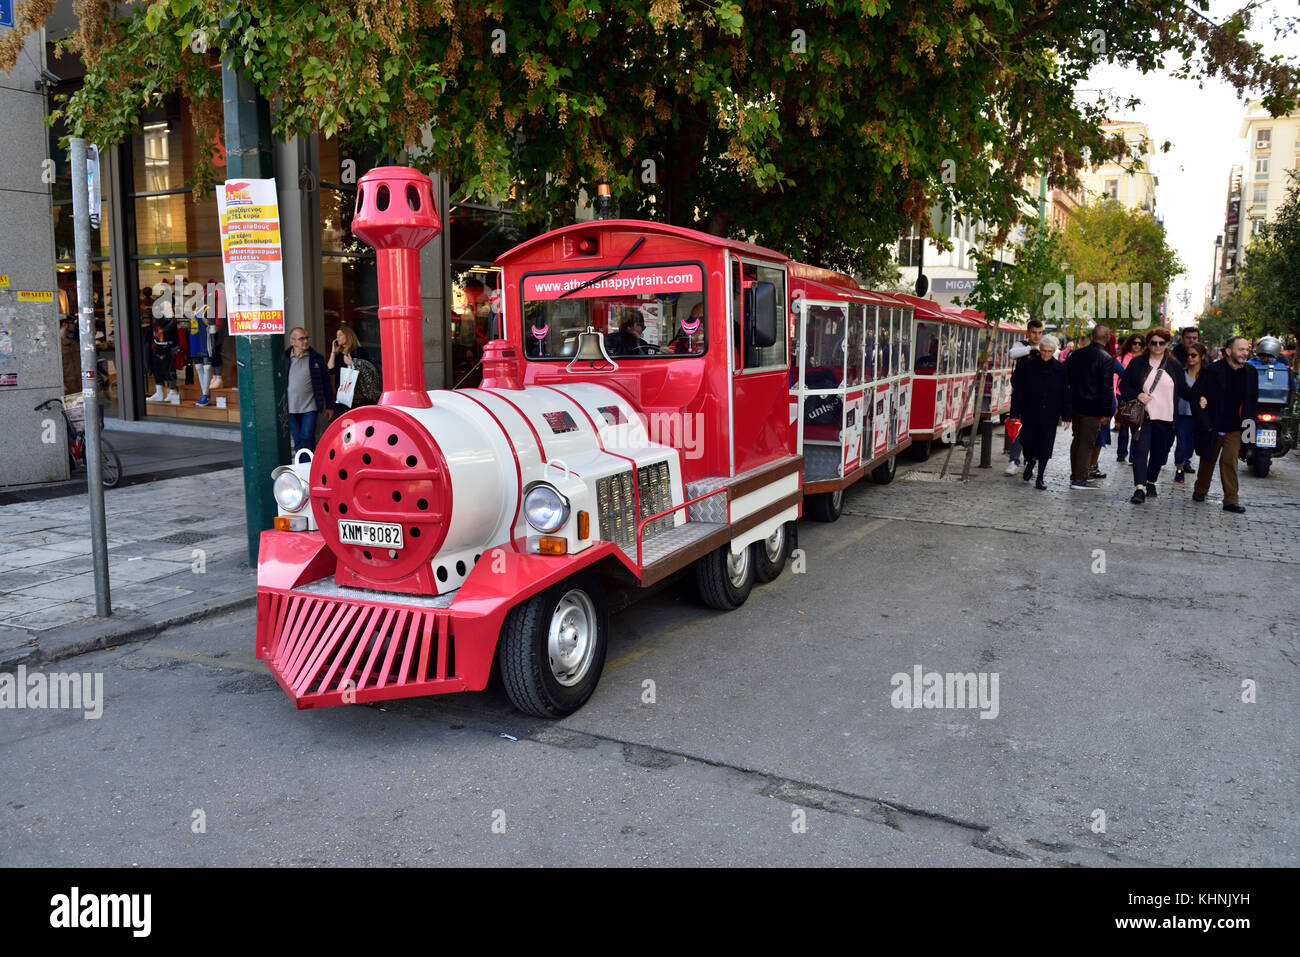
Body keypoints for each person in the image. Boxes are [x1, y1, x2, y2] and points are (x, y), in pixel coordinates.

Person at [1118, 327, 1197, 504]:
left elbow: (1183, 389)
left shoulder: (1174, 365)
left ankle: (1151, 481)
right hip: (1144, 416)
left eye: (1161, 343)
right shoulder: (1138, 363)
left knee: (1159, 455)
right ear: (1148, 344)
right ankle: (1139, 488)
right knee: (1140, 450)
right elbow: (1124, 386)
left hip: (1167, 418)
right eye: (1153, 342)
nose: (1157, 346)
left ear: (1167, 344)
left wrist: (1200, 397)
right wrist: (1138, 395)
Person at [1193, 335, 1258, 513]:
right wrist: (1204, 420)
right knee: (1208, 459)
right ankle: (1200, 488)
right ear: (1229, 352)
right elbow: (1196, 395)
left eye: (1247, 349)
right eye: (1241, 349)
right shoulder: (1213, 370)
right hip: (1213, 424)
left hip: (1236, 427)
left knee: (1229, 461)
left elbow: (1252, 405)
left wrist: (1249, 437)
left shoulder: (1251, 373)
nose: (1245, 353)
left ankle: (1231, 500)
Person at [1011, 335, 1070, 489]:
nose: (1046, 354)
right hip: (1030, 410)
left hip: (1051, 412)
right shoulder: (1027, 366)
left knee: (1046, 445)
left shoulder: (1061, 369)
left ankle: (1040, 477)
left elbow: (1065, 393)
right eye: (1043, 351)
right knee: (1027, 440)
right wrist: (1014, 413)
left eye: (1049, 351)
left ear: (1054, 351)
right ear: (1039, 350)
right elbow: (1019, 391)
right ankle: (1030, 461)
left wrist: (1067, 416)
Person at [1064, 324, 1114, 489]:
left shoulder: (1077, 354)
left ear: (1092, 337)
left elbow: (1067, 377)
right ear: (1106, 340)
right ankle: (1079, 478)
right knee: (1086, 443)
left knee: (1077, 440)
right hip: (1093, 407)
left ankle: (1076, 474)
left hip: (1076, 403)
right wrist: (1107, 412)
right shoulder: (1106, 358)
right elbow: (1107, 387)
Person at [1005, 319, 1044, 474]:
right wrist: (1031, 350)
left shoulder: (1046, 346)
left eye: (1040, 332)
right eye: (1034, 332)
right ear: (1028, 332)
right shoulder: (1020, 345)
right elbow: (1012, 354)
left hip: (1038, 396)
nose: (1037, 335)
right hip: (1021, 394)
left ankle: (1029, 460)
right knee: (1017, 426)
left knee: (1034, 430)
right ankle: (1014, 460)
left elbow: (1054, 354)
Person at [284, 327, 330, 454]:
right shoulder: (285, 359)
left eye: (307, 338)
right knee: (297, 439)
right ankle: (302, 467)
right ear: (292, 342)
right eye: (301, 339)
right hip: (290, 408)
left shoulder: (316, 358)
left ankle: (310, 467)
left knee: (307, 436)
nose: (305, 341)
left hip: (310, 407)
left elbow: (326, 383)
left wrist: (330, 406)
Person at [1173, 342, 1210, 483]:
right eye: (1187, 355)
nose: (1190, 358)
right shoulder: (1181, 374)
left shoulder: (1206, 375)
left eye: (1193, 355)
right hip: (1182, 414)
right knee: (1181, 444)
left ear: (1201, 357)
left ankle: (1186, 462)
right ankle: (1179, 469)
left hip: (1199, 415)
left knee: (1192, 445)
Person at [1114, 334, 1145, 462]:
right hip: (1122, 394)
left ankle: (1133, 455)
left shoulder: (1145, 358)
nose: (1137, 346)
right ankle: (1121, 452)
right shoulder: (1121, 357)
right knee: (1123, 424)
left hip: (1139, 396)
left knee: (1136, 425)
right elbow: (1116, 377)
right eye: (1134, 343)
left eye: (1140, 344)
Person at [326, 325, 372, 411]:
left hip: (358, 399)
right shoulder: (339, 354)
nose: (337, 338)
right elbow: (330, 370)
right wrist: (333, 353)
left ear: (348, 336)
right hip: (343, 397)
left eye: (340, 335)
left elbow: (367, 370)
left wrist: (352, 363)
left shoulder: (359, 351)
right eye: (337, 336)